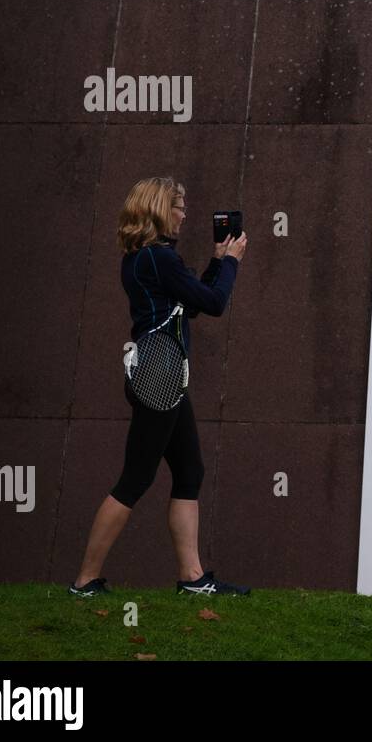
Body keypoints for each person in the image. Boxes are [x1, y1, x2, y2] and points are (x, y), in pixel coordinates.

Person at [69, 177, 250, 598]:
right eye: (178, 207)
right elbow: (215, 303)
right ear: (156, 209)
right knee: (134, 479)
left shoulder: (141, 258)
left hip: (159, 374)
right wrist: (233, 262)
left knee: (190, 471)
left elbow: (191, 301)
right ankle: (85, 581)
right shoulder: (159, 259)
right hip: (161, 376)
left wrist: (216, 260)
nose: (185, 214)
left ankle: (192, 577)